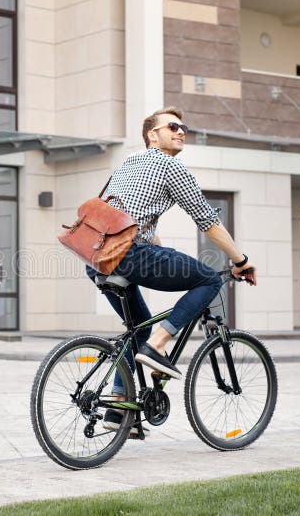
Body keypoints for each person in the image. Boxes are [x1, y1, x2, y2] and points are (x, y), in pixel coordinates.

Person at [84, 107, 257, 433]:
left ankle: (117, 411)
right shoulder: (170, 165)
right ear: (153, 134)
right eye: (173, 126)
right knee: (207, 278)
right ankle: (159, 344)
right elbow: (208, 220)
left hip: (95, 258)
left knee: (137, 328)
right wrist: (240, 261)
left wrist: (164, 252)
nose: (181, 131)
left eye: (184, 127)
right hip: (127, 254)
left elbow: (138, 222)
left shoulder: (130, 162)